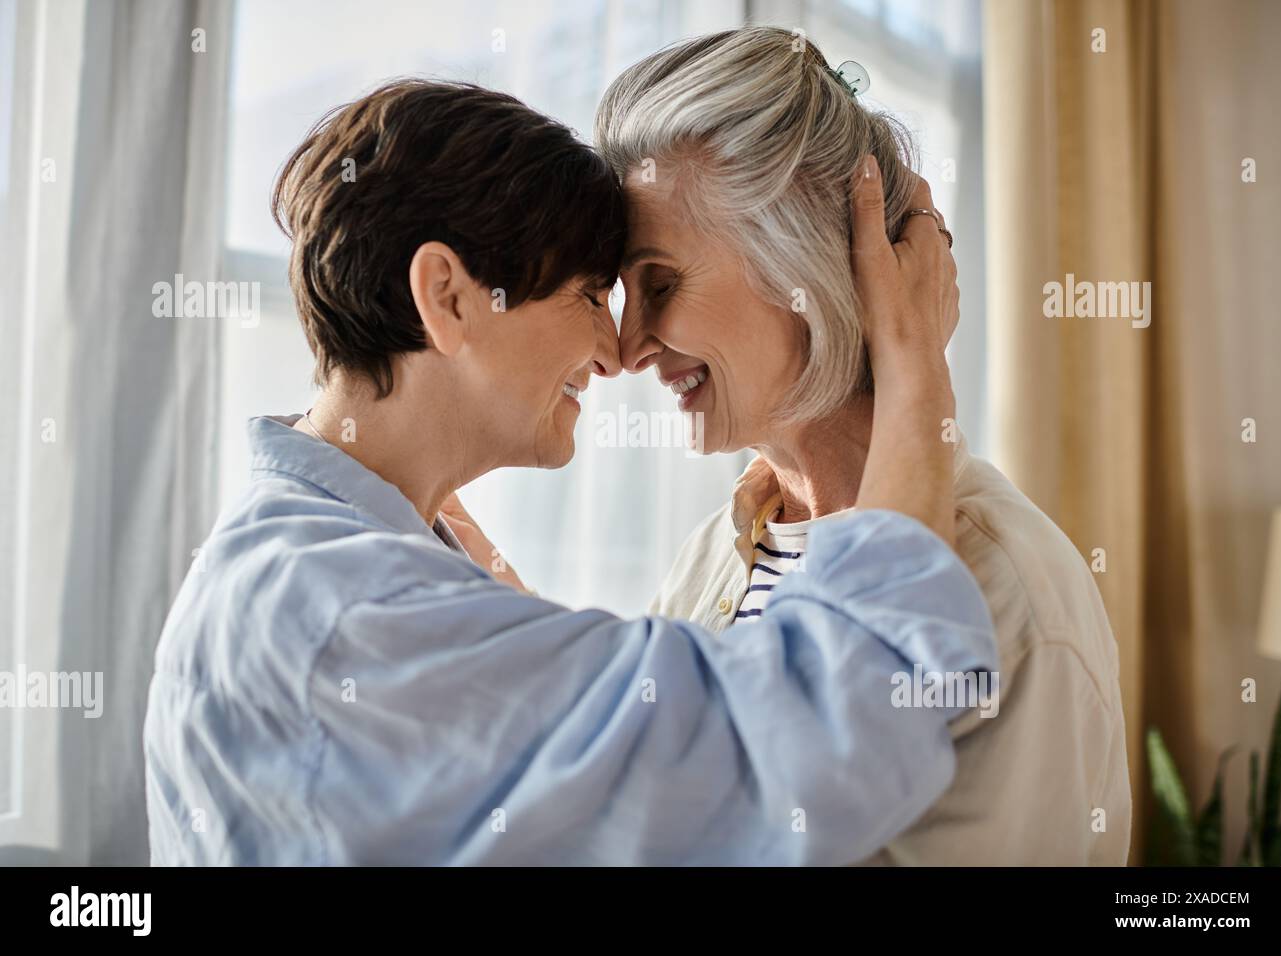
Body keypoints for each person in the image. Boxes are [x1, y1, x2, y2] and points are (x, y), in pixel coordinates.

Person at [143, 78, 994, 865]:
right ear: (447, 295)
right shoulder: (350, 611)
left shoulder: (333, 560)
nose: (613, 350)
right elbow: (831, 731)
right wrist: (914, 357)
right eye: (592, 295)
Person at [594, 27, 1131, 864]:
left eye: (659, 283)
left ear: (808, 262)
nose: (630, 349)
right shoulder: (719, 553)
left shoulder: (1008, 593)